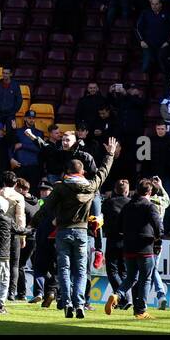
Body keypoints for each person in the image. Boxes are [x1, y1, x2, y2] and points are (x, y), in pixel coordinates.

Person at [42, 136, 117, 318]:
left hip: (63, 231)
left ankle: (67, 302)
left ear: (67, 171)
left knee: (64, 270)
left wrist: (32, 225)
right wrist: (110, 154)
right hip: (82, 232)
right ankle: (80, 303)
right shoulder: (91, 186)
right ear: (83, 171)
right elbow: (103, 172)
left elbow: (46, 209)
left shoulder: (60, 187)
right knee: (81, 271)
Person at [105, 177, 163, 320]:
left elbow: (118, 227)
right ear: (149, 192)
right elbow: (158, 227)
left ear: (136, 190)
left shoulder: (128, 206)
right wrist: (157, 239)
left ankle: (117, 295)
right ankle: (141, 310)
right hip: (145, 247)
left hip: (129, 247)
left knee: (131, 277)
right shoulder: (150, 206)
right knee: (145, 279)